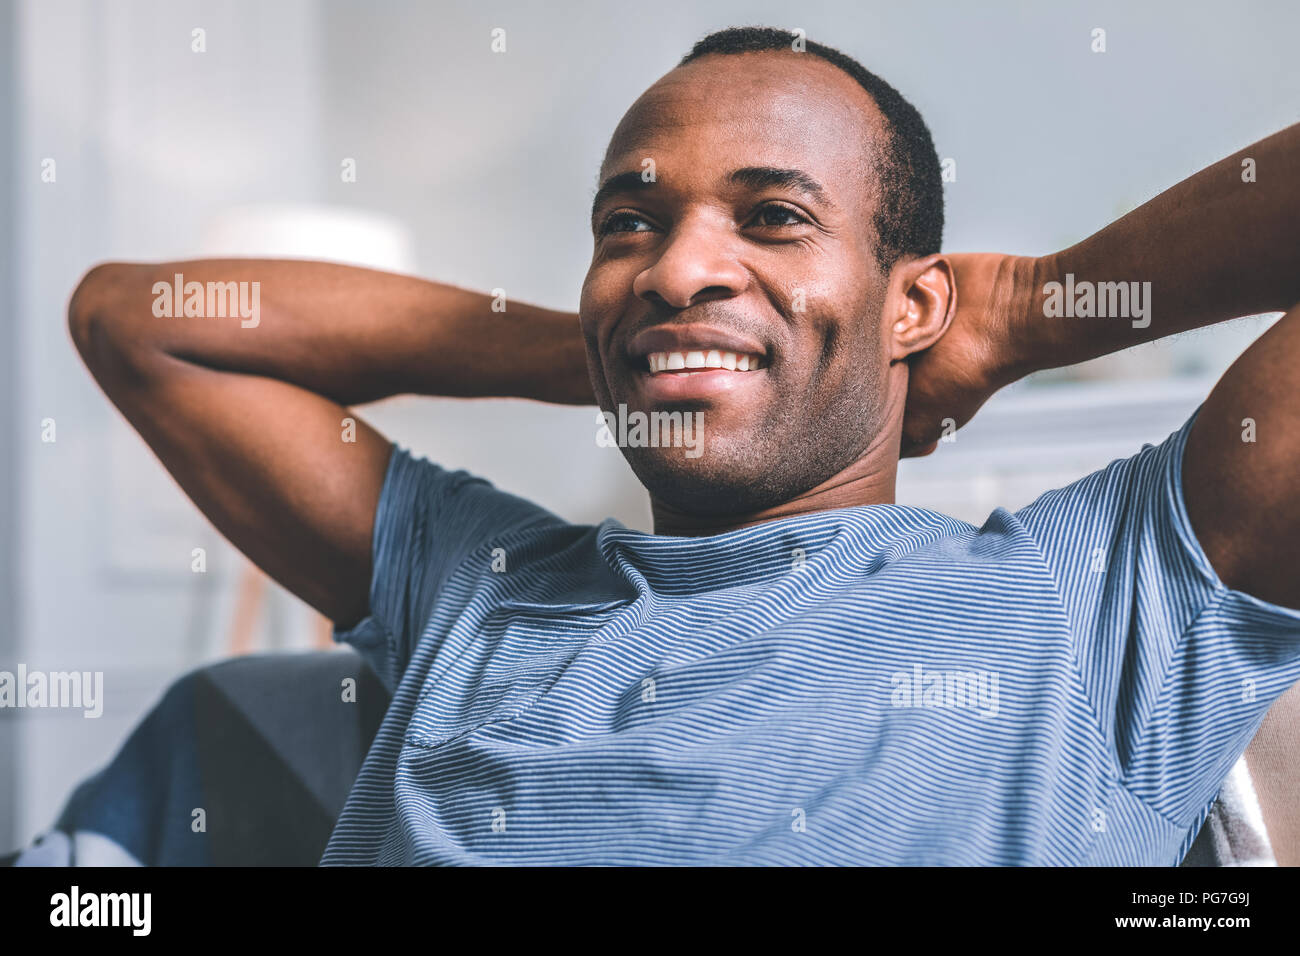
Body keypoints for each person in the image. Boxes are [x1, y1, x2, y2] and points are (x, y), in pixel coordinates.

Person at [65, 26, 1300, 865]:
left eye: (772, 216)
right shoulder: (477, 579)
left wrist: (1030, 304)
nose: (678, 262)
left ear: (912, 305)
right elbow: (141, 322)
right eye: (630, 225)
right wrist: (648, 339)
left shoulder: (1096, 600)